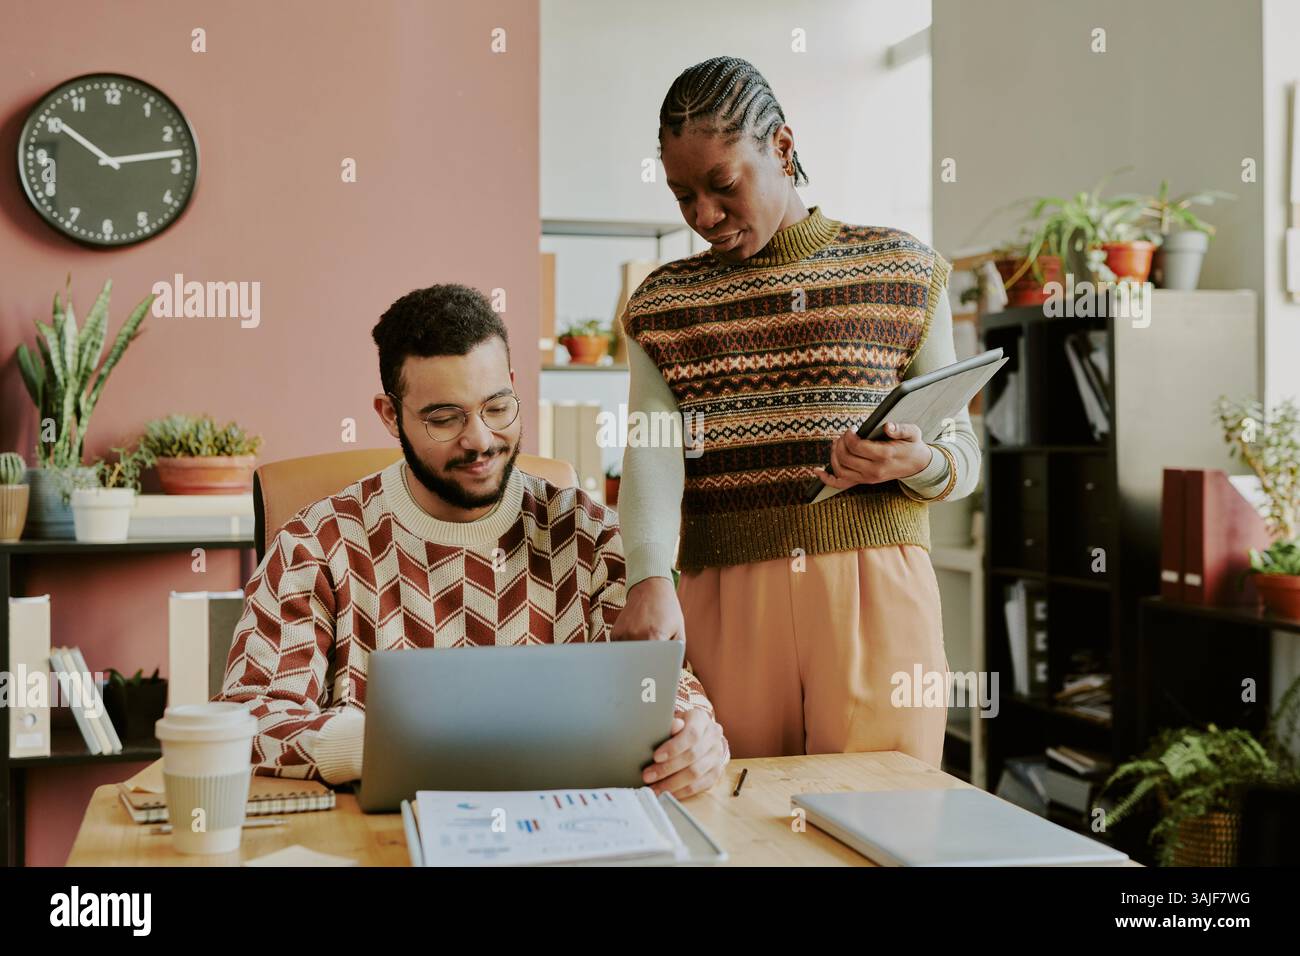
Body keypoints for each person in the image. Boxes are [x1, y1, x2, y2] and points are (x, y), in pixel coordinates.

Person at [611, 57, 981, 768]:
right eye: (682, 195)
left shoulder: (905, 271)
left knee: (884, 819)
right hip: (723, 592)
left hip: (878, 587)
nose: (704, 217)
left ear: (781, 148)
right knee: (731, 813)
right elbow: (652, 451)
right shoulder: (663, 304)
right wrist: (649, 578)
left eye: (722, 186)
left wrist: (921, 462)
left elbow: (962, 453)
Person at [219, 284, 728, 798]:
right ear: (390, 415)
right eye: (444, 418)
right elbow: (248, 721)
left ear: (513, 384)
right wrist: (387, 748)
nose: (480, 439)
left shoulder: (590, 535)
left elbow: (662, 682)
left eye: (497, 407)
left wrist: (697, 736)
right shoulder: (316, 543)